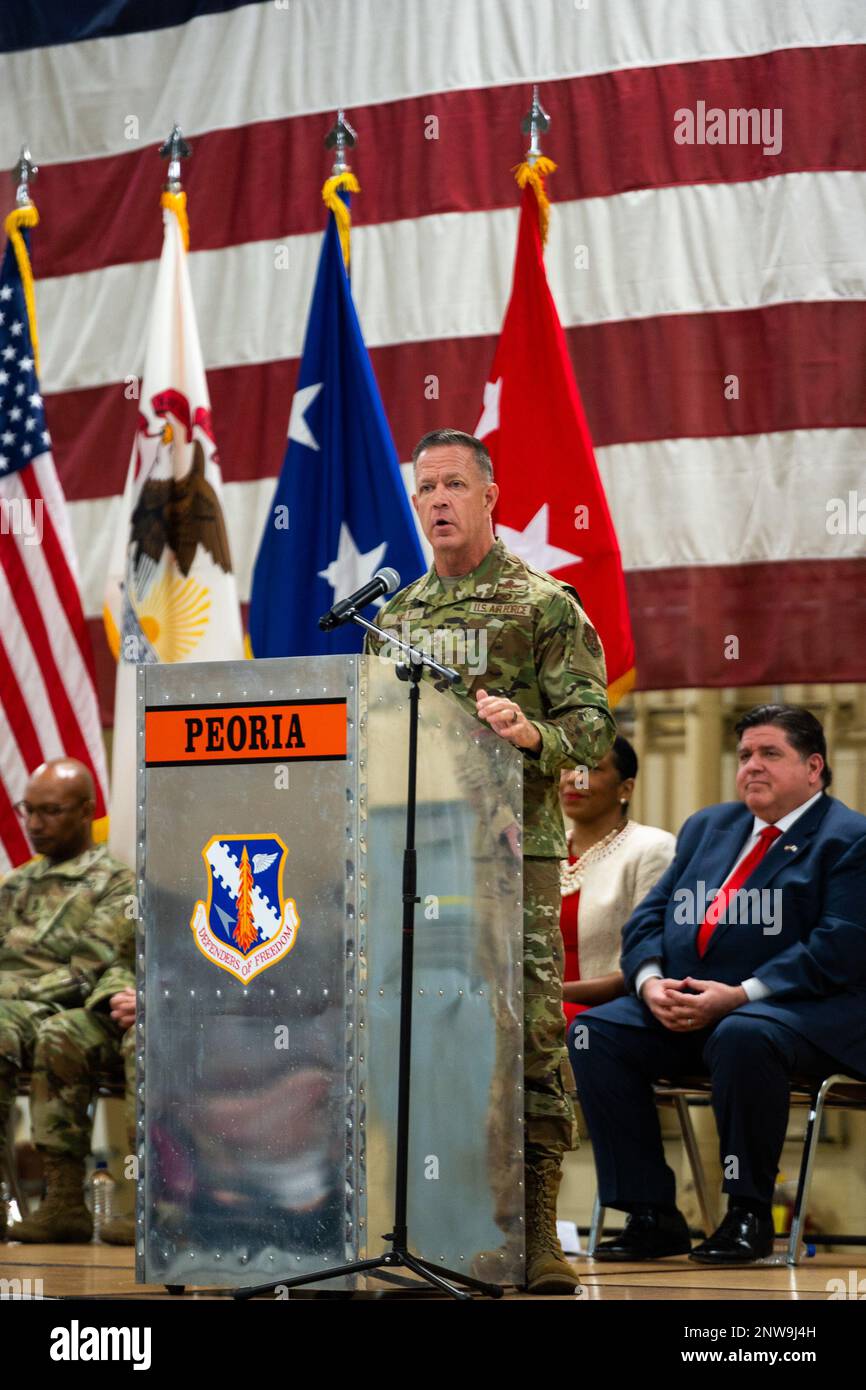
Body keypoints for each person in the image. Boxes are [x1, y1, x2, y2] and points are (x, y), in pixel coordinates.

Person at [367, 428, 616, 1293]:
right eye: (425, 488)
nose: (436, 500)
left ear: (489, 497)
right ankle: (437, 1219)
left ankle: (535, 1231)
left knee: (525, 1033)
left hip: (514, 855)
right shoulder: (392, 621)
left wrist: (534, 731)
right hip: (413, 858)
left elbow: (594, 731)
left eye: (452, 486)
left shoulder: (543, 604)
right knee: (429, 1033)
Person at [569, 705, 866, 1264]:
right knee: (595, 1033)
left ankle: (748, 1212)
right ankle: (649, 1212)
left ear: (814, 767)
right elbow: (649, 919)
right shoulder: (710, 826)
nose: (752, 765)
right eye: (746, 754)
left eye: (770, 753)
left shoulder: (848, 838)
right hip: (694, 1005)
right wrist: (652, 983)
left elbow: (838, 948)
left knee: (742, 1034)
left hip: (806, 1014)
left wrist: (739, 995)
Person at [0, 758, 135, 1244]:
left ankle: (64, 1200)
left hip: (59, 1009)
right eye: (27, 810)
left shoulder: (113, 883)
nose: (35, 824)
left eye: (50, 811)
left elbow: (87, 970)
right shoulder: (15, 884)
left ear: (85, 811)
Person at [559, 736, 675, 1023]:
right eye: (567, 767)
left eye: (593, 769)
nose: (575, 779)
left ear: (626, 788)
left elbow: (646, 961)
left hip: (611, 1012)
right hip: (542, 1005)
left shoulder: (651, 847)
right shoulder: (545, 851)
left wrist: (548, 995)